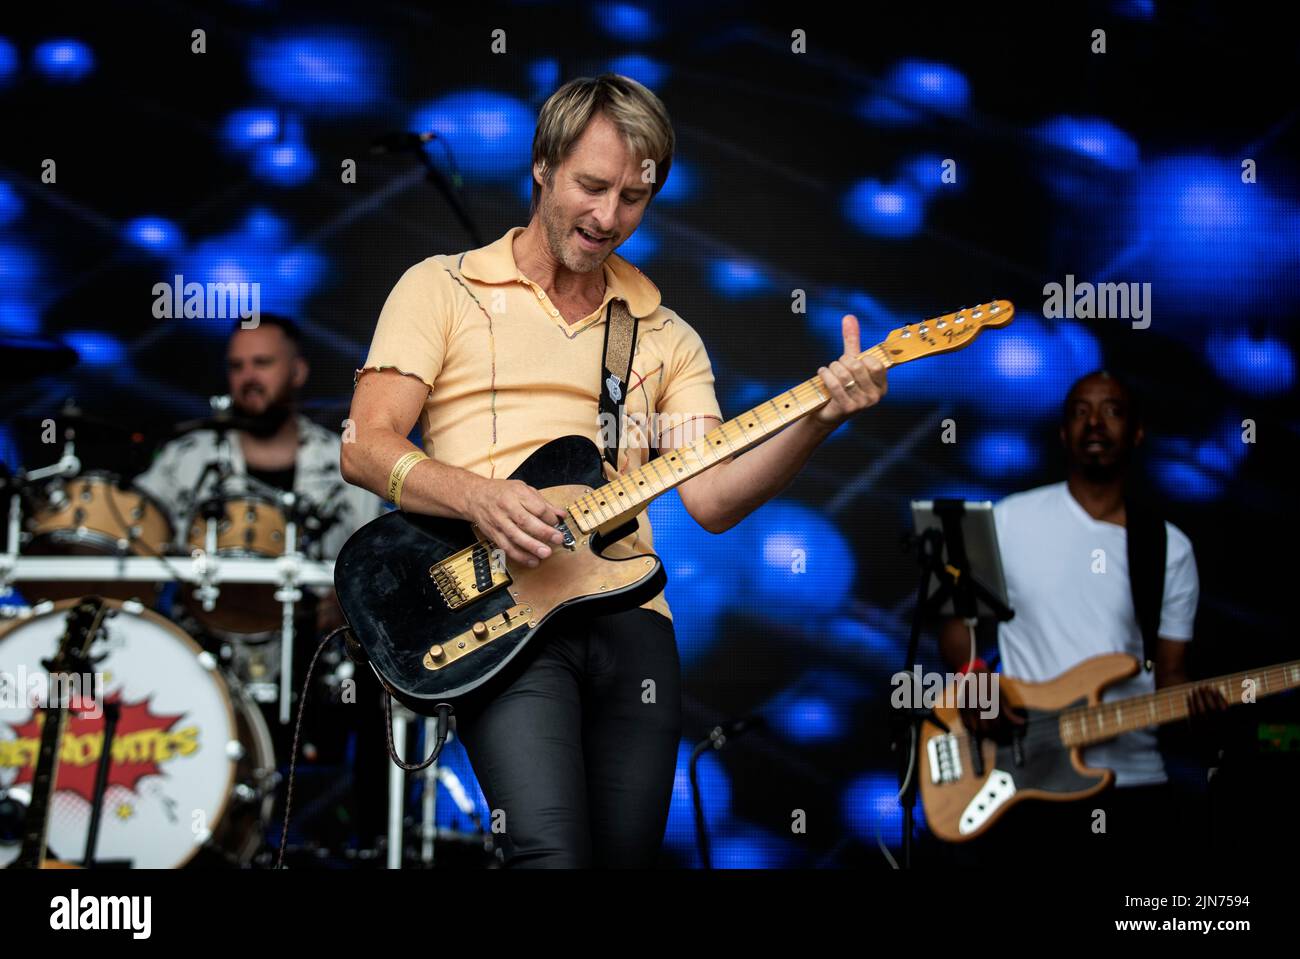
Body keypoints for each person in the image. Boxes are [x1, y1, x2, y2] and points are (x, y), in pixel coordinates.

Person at [342, 73, 888, 867]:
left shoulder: (666, 334)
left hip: (630, 618)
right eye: (591, 187)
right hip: (503, 609)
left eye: (634, 198)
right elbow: (364, 443)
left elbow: (710, 497)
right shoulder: (440, 288)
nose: (607, 219)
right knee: (550, 855)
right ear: (542, 167)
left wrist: (822, 419)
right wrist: (477, 495)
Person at [938, 370, 1227, 867]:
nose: (1096, 422)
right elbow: (955, 622)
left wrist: (1202, 714)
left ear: (1137, 432)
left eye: (1112, 410)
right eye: (1080, 411)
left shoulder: (1170, 548)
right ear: (1063, 433)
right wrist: (977, 689)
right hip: (1023, 775)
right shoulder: (1006, 518)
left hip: (1132, 779)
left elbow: (1171, 671)